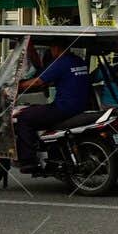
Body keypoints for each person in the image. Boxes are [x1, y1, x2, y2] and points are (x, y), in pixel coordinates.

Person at [14, 40, 94, 170]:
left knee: (24, 117)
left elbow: (38, 82)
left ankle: (28, 160)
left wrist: (18, 86)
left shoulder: (60, 63)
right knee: (37, 111)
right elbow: (53, 80)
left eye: (51, 48)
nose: (51, 51)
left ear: (56, 47)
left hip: (64, 108)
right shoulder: (78, 60)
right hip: (80, 106)